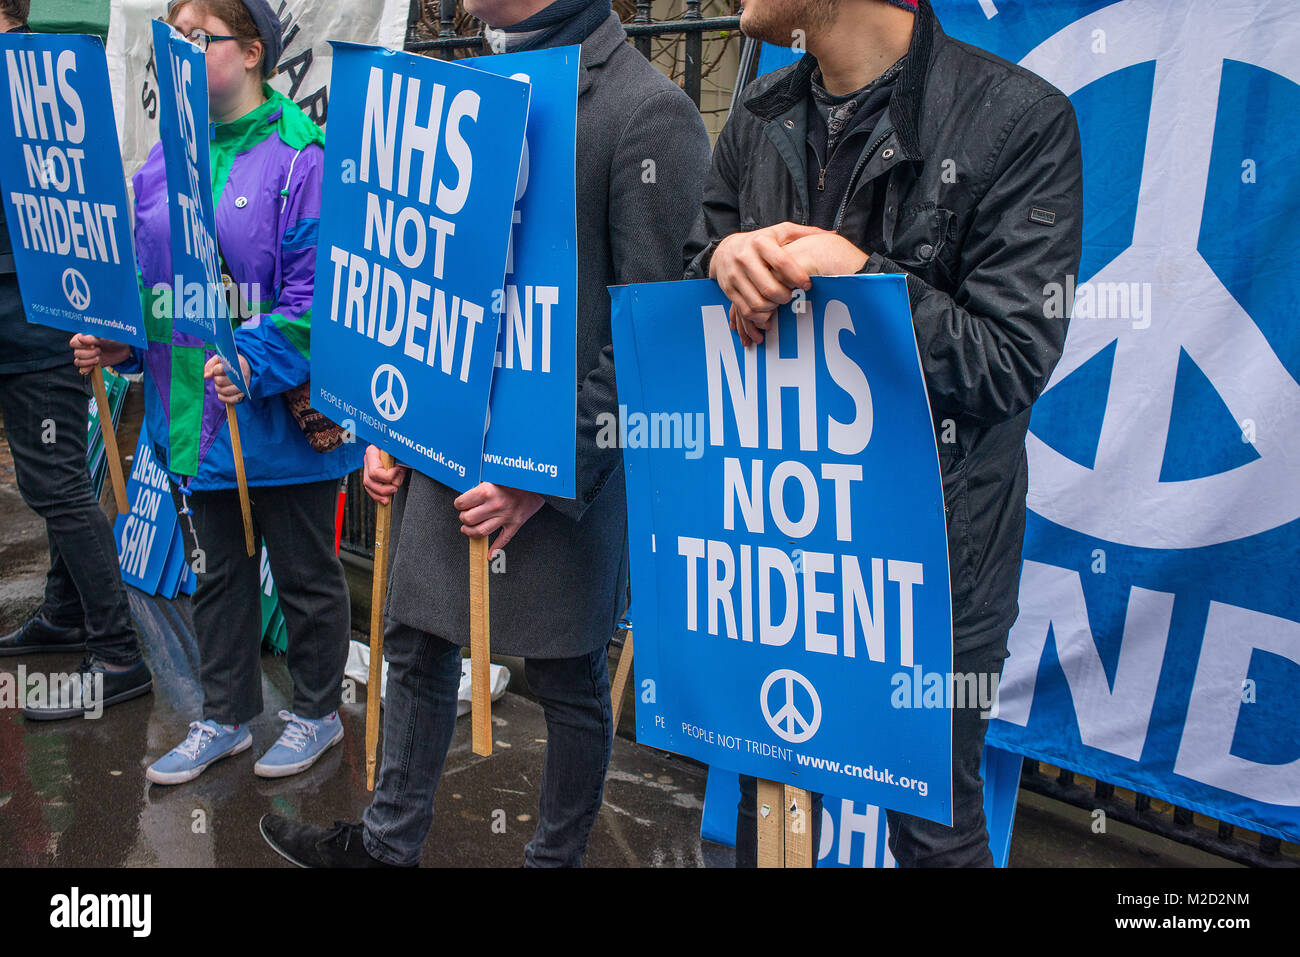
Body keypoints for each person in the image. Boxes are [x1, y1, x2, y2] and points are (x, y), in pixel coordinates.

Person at [258, 0, 711, 867]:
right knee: (415, 641)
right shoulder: (459, 89)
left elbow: (656, 336)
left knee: (569, 676)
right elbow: (417, 276)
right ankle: (386, 848)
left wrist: (551, 474)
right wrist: (388, 425)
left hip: (564, 467)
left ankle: (554, 857)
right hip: (446, 437)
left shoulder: (651, 111)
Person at [684, 0, 1083, 866]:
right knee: (771, 803)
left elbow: (1010, 361)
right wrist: (719, 263)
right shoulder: (758, 116)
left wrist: (864, 280)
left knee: (934, 825)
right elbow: (688, 279)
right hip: (779, 543)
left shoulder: (1019, 119)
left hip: (931, 567)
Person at [72, 0, 363, 783]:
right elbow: (148, 289)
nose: (185, 51)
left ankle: (316, 711)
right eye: (175, 38)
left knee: (305, 579)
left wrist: (255, 361)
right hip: (190, 425)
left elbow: (320, 300)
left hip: (278, 428)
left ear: (256, 51)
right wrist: (117, 339)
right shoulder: (161, 165)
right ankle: (224, 715)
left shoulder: (304, 155)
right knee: (218, 577)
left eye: (202, 37)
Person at [0, 0, 153, 719]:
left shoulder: (41, 77)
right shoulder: (34, 72)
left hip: (40, 322)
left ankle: (118, 653)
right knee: (52, 484)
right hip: (27, 318)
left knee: (56, 485)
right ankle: (64, 613)